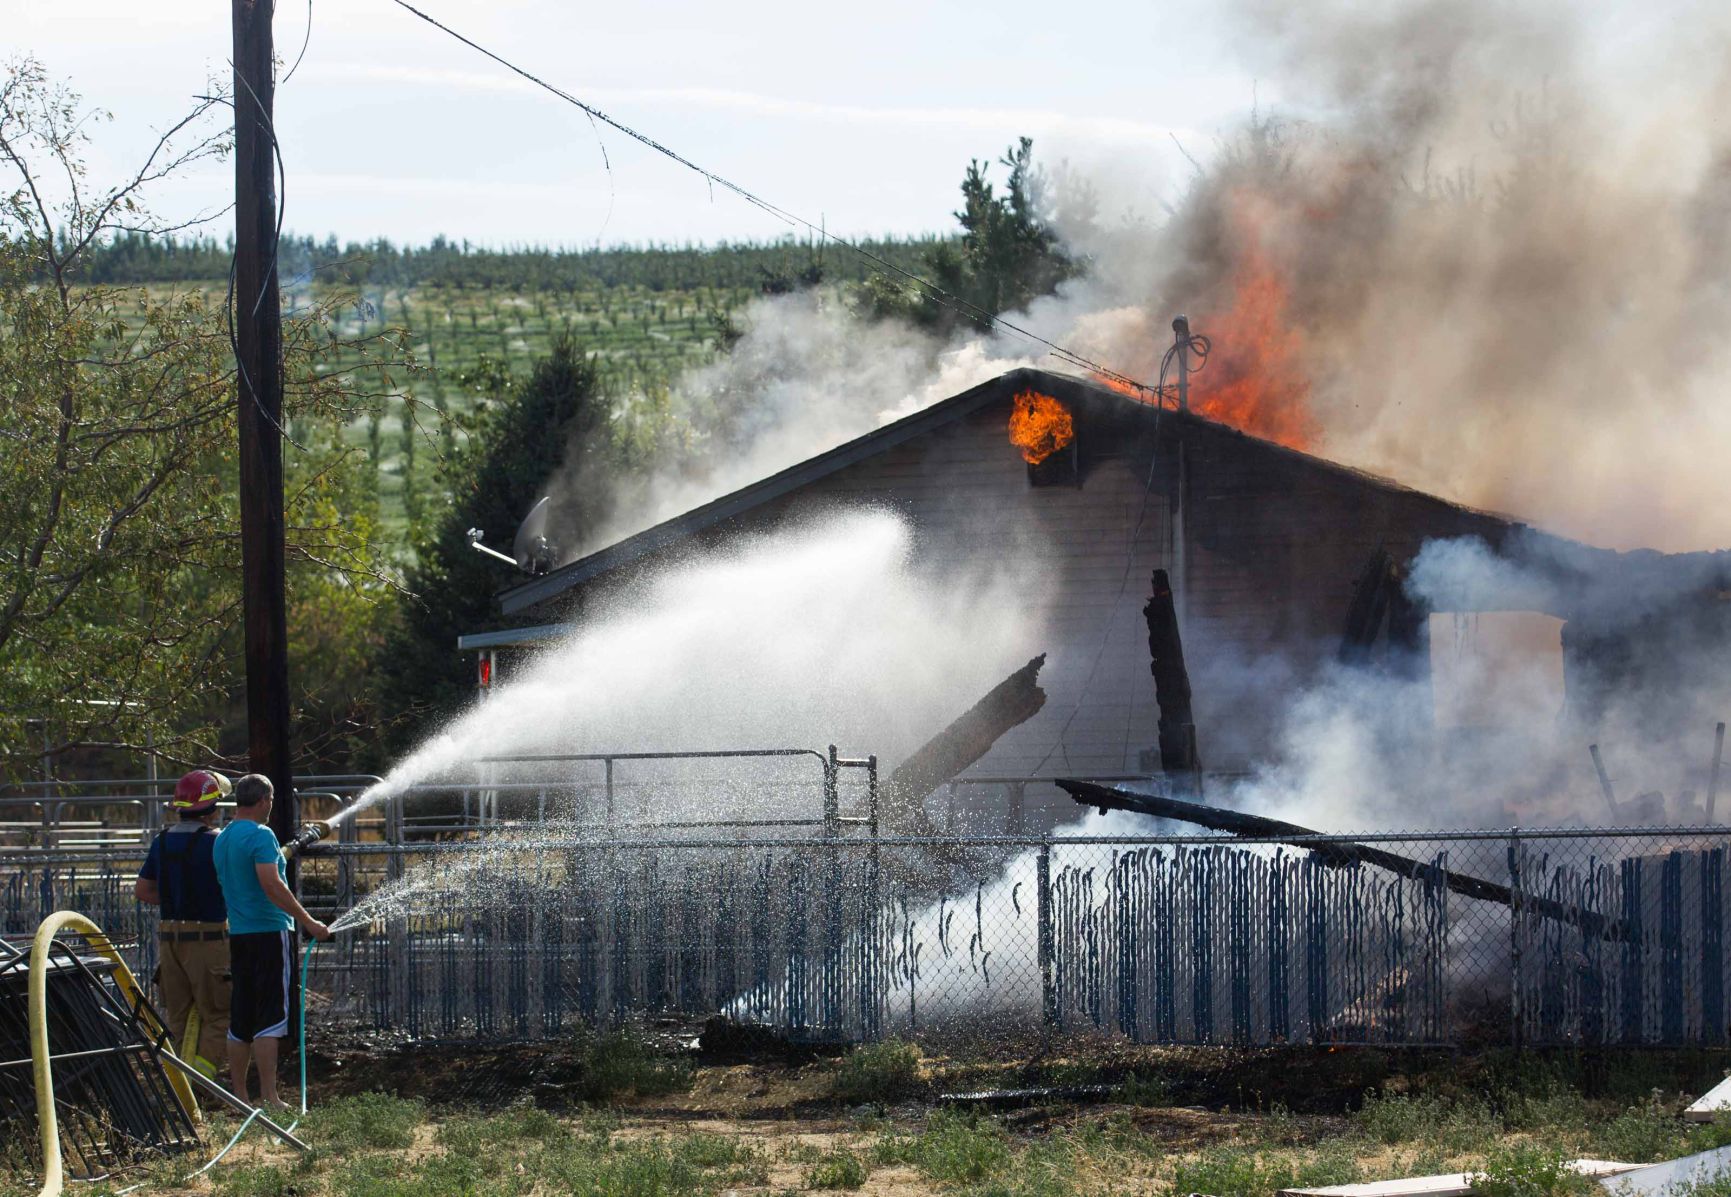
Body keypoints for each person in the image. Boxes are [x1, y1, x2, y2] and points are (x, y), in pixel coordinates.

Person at [212, 773, 331, 1109]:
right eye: (272, 799)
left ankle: (240, 1097)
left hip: (239, 934)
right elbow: (271, 884)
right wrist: (308, 921)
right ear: (264, 800)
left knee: (241, 1019)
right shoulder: (261, 835)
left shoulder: (223, 838)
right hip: (269, 933)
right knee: (270, 1019)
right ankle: (271, 1097)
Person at [135, 769, 232, 1078]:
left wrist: (176, 899)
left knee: (176, 1018)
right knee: (217, 1015)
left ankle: (177, 1086)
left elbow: (143, 890)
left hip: (169, 940)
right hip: (208, 939)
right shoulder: (217, 842)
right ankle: (201, 1084)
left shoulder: (161, 842)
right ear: (212, 809)